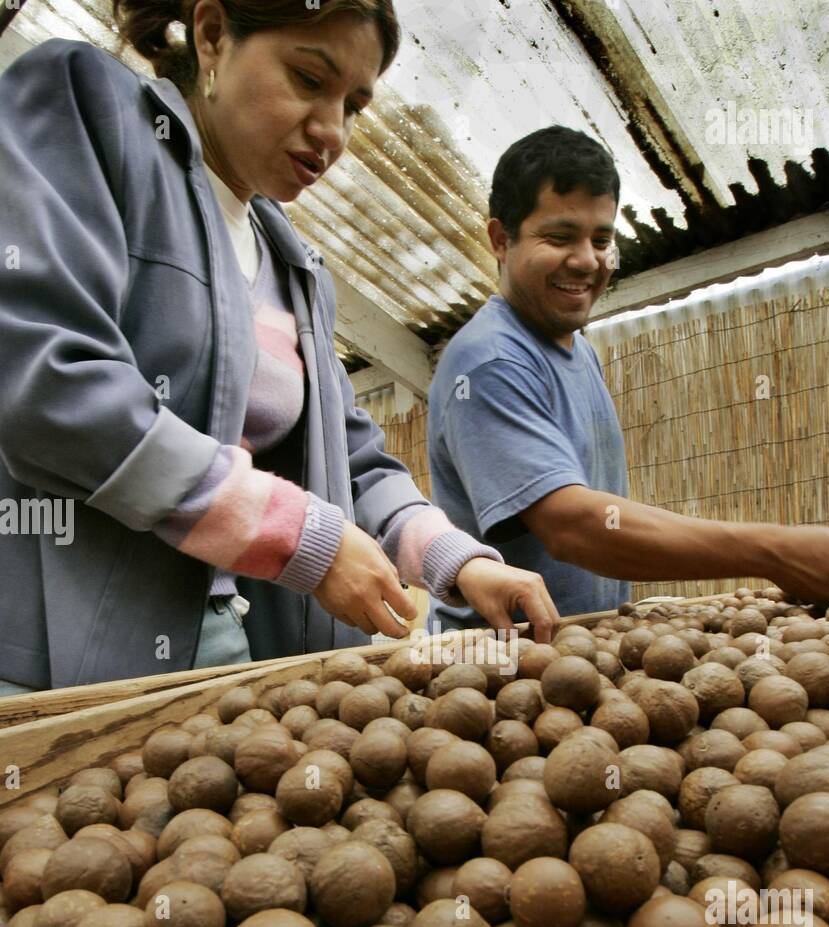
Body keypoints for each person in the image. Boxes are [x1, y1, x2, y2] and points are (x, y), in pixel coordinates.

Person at [0, 0, 558, 698]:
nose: (331, 131)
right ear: (211, 34)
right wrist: (302, 540)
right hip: (62, 671)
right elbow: (46, 384)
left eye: (353, 105)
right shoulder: (90, 109)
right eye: (307, 79)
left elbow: (351, 463)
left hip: (226, 653)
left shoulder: (293, 267)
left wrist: (456, 560)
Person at [427, 126, 829, 633]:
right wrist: (776, 552)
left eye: (601, 239)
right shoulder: (490, 361)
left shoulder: (577, 349)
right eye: (559, 237)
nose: (587, 260)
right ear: (501, 239)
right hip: (494, 675)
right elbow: (573, 526)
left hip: (579, 651)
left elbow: (600, 515)